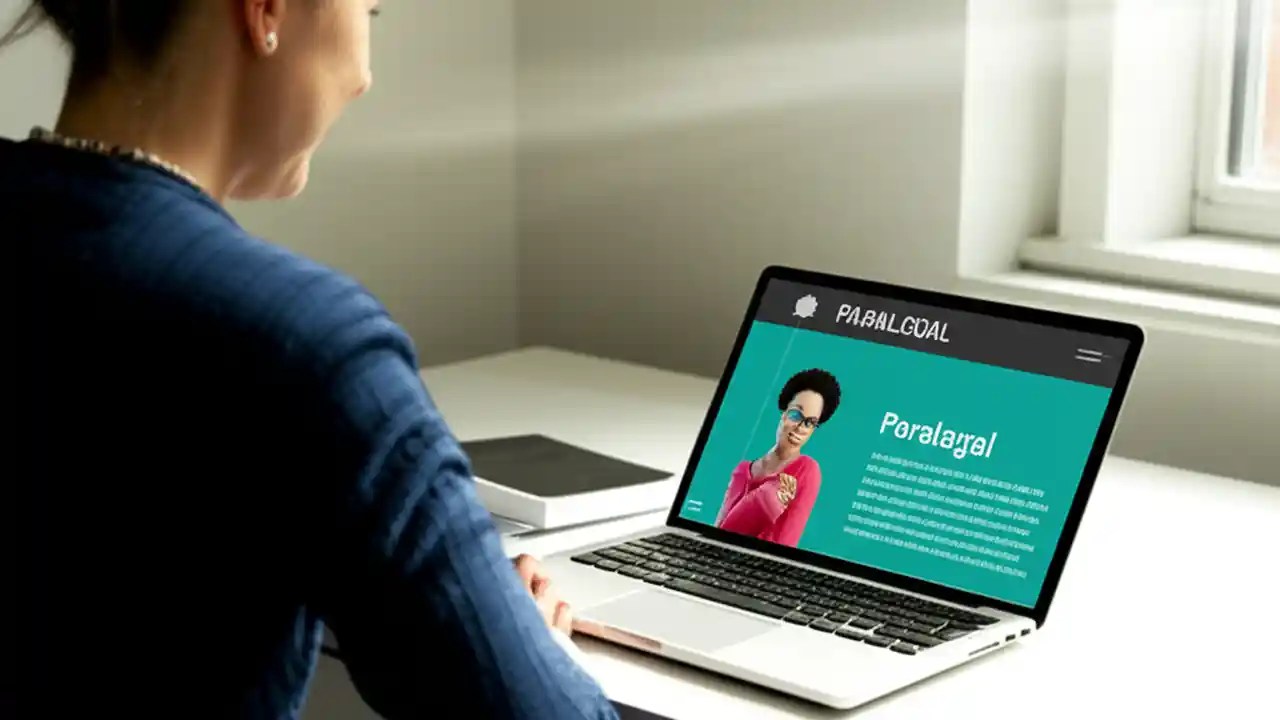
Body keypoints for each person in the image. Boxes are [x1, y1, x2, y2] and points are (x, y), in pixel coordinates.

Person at [2, 2, 616, 718]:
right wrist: (531, 650)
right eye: (369, 9)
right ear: (266, 10)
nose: (364, 74)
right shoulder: (299, 342)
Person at [714, 369, 842, 547]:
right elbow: (719, 535)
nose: (800, 428)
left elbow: (782, 544)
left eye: (810, 423)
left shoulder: (806, 470)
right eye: (796, 415)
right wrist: (765, 502)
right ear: (783, 412)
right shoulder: (742, 470)